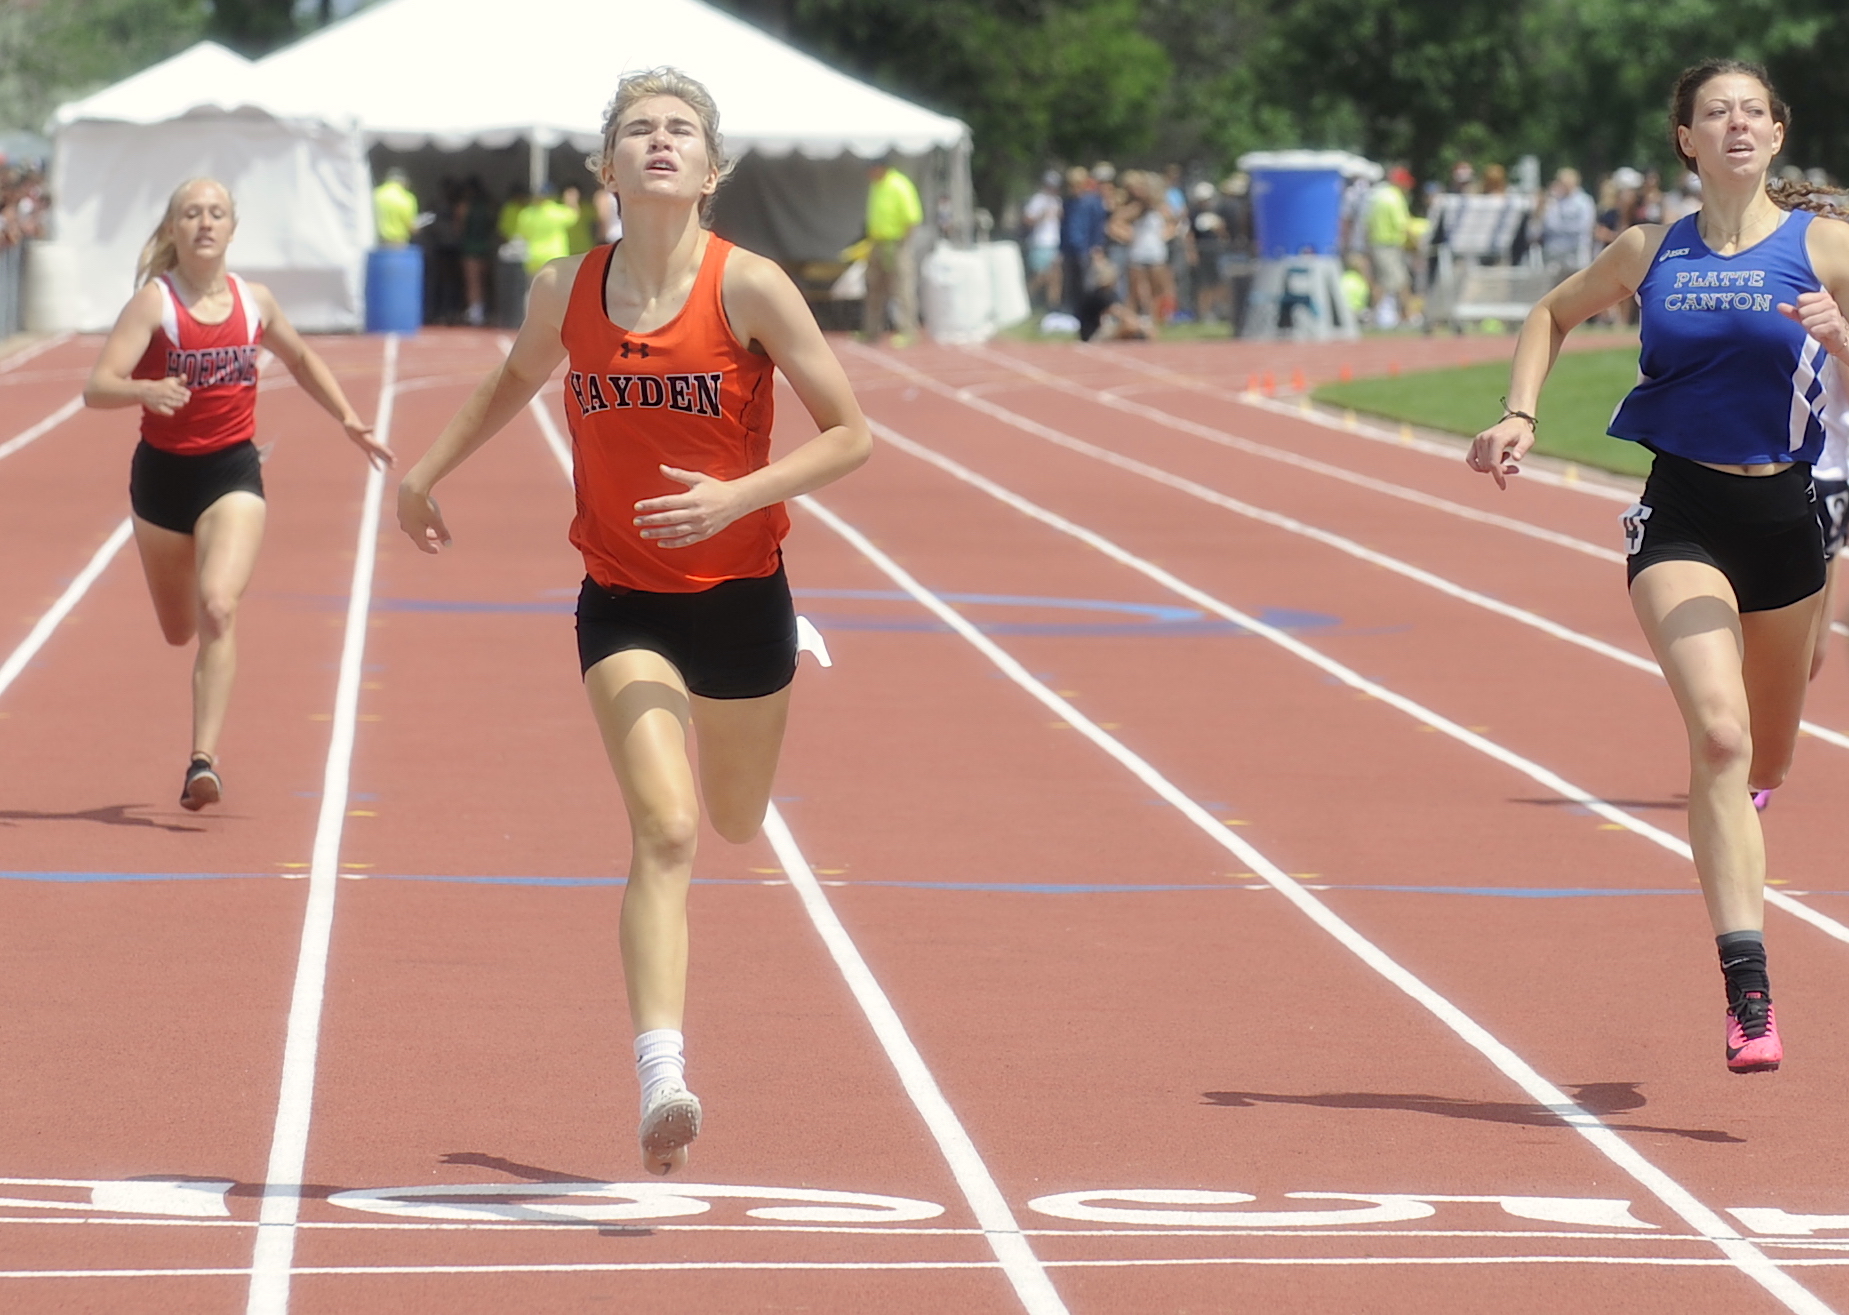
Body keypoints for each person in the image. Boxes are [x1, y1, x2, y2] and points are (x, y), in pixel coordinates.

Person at [394, 68, 870, 1175]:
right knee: (667, 828)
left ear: (713, 171)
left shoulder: (749, 287)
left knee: (739, 818)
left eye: (681, 131)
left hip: (745, 595)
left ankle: (782, 655)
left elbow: (850, 433)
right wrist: (423, 472)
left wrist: (737, 496)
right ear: (605, 168)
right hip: (622, 602)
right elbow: (511, 382)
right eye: (638, 131)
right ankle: (663, 1072)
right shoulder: (565, 287)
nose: (659, 143)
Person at [1466, 60, 1849, 1076]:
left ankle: (1760, 781)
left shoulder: (1827, 248)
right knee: (1716, 737)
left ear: (1774, 135)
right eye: (1714, 112)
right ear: (1685, 138)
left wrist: (1844, 338)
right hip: (1679, 511)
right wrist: (1518, 412)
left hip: (1789, 521)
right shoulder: (1650, 249)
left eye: (1752, 112)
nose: (1734, 125)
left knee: (1766, 752)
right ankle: (1747, 986)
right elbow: (1549, 314)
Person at [82, 178, 392, 809]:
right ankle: (198, 640)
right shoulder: (155, 303)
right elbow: (97, 387)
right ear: (173, 229)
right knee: (179, 629)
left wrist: (348, 417)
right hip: (162, 480)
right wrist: (144, 391)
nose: (204, 222)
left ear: (232, 227)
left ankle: (203, 761)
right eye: (191, 213)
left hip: (232, 473)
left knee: (218, 606)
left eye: (216, 213)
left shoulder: (256, 302)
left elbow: (302, 360)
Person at [862, 156, 923, 343]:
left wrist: (902, 243)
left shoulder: (899, 185)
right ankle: (871, 331)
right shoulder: (876, 185)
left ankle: (907, 331)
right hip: (877, 242)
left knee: (902, 288)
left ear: (881, 168)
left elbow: (912, 218)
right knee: (874, 287)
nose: (869, 174)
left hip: (896, 243)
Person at [1021, 170, 1063, 311]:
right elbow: (1027, 220)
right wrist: (1041, 217)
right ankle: (1024, 299)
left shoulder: (1057, 201)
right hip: (1039, 242)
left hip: (1053, 242)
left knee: (1055, 276)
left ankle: (1053, 306)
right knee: (1040, 276)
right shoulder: (1037, 200)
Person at [373, 167, 418, 247]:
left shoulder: (376, 194)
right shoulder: (407, 198)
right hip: (398, 243)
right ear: (404, 182)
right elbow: (411, 227)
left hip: (376, 243)